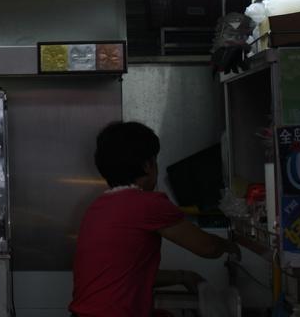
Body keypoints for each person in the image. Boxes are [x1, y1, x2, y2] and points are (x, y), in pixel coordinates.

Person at [70, 122, 239, 317]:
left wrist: (182, 276)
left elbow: (124, 274)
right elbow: (208, 247)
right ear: (147, 166)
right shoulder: (147, 203)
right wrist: (231, 246)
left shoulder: (98, 208)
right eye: (155, 161)